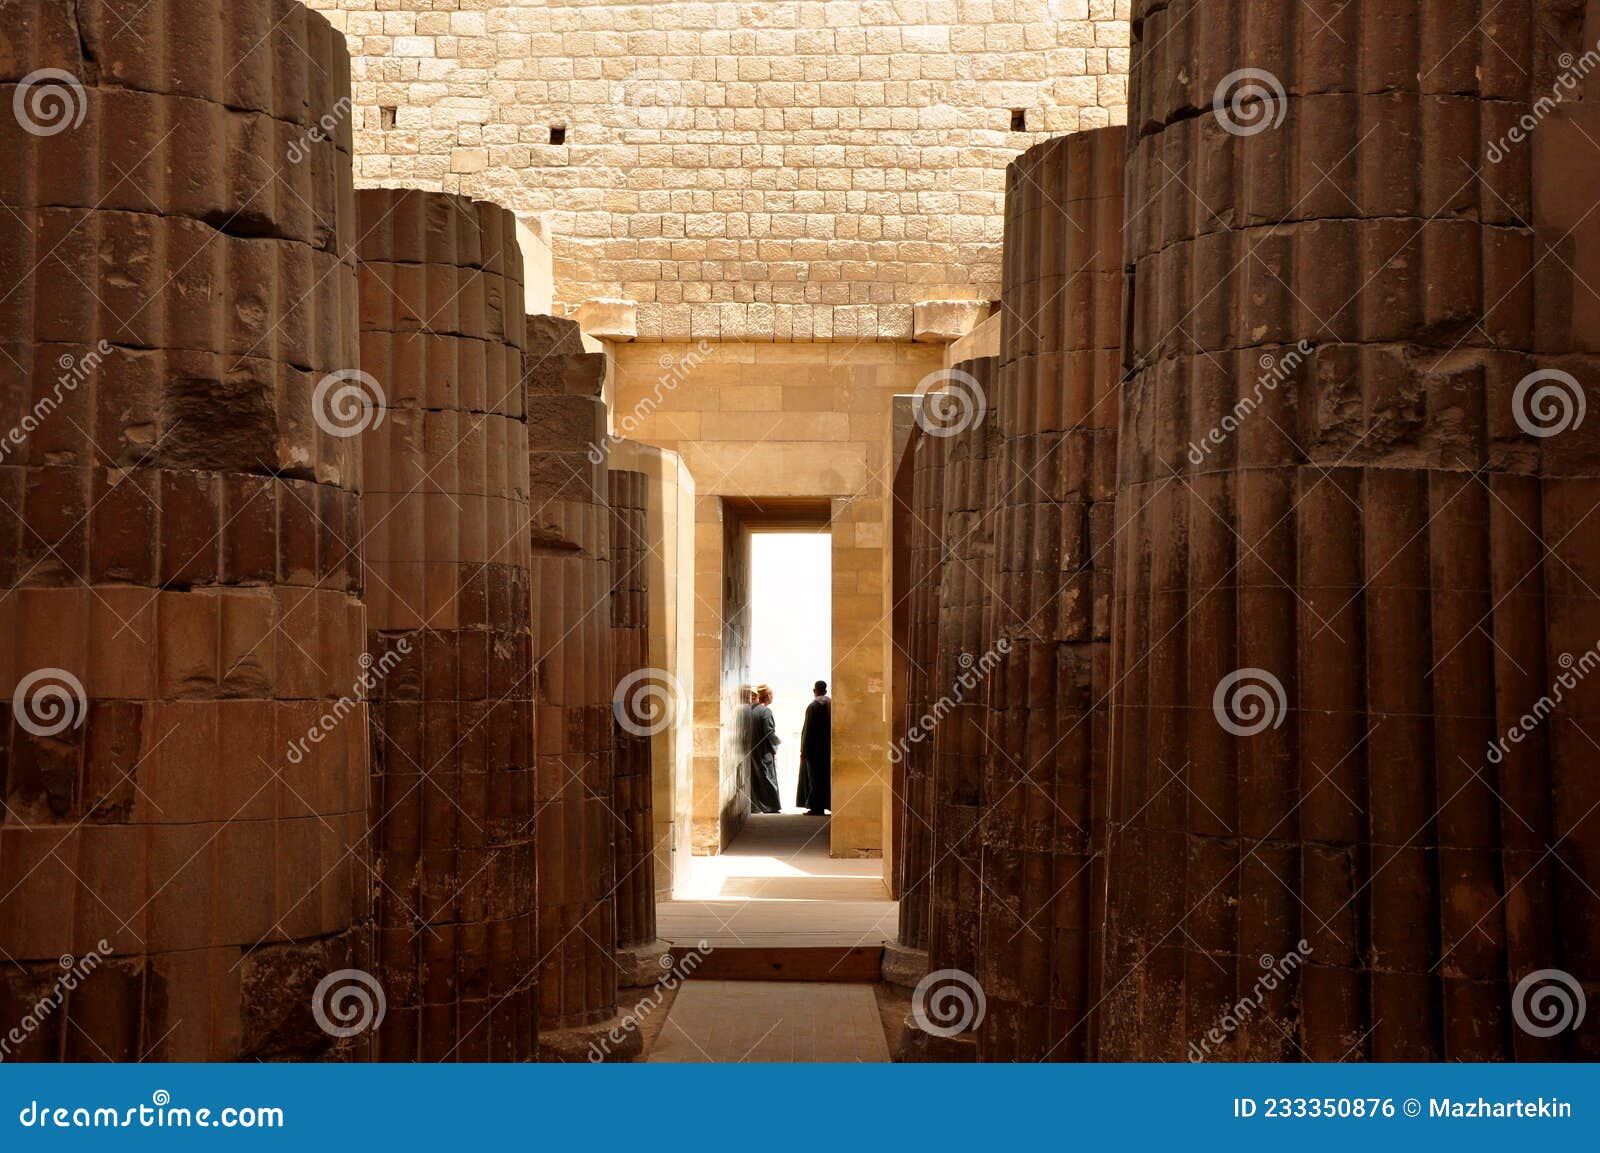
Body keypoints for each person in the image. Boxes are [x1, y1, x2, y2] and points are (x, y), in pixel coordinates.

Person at [797, 680, 831, 815]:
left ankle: (816, 807)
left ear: (814, 691)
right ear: (825, 691)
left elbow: (808, 731)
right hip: (827, 749)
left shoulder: (813, 707)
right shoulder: (830, 705)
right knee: (825, 778)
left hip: (814, 750)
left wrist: (804, 751)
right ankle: (826, 804)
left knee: (814, 779)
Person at [749, 684, 782, 815]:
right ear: (768, 696)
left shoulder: (751, 709)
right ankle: (771, 806)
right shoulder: (766, 712)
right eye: (771, 694)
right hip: (764, 752)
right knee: (768, 777)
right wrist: (778, 743)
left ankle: (757, 806)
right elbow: (770, 733)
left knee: (757, 779)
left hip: (753, 751)